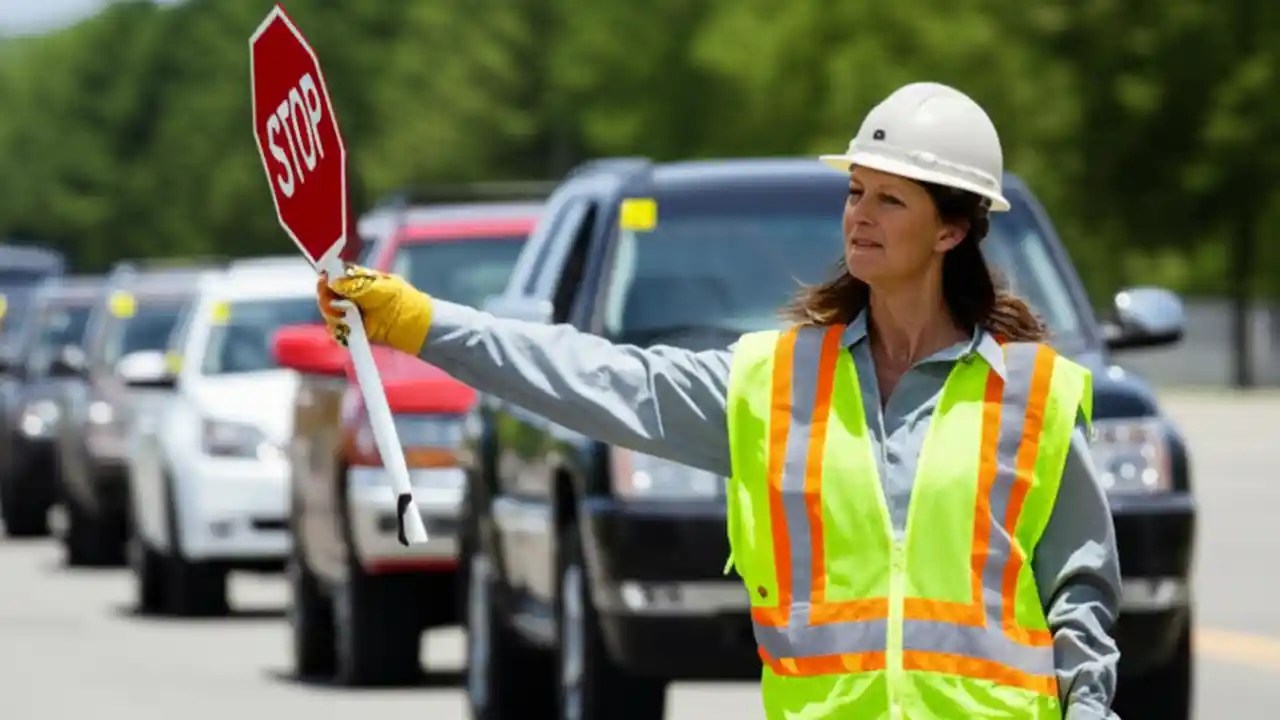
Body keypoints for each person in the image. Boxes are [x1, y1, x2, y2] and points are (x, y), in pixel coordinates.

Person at [316, 82, 1121, 720]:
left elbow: (1079, 593)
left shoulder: (1034, 395)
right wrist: (420, 322)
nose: (858, 217)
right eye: (855, 191)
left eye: (890, 200)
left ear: (951, 230)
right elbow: (591, 378)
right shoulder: (772, 385)